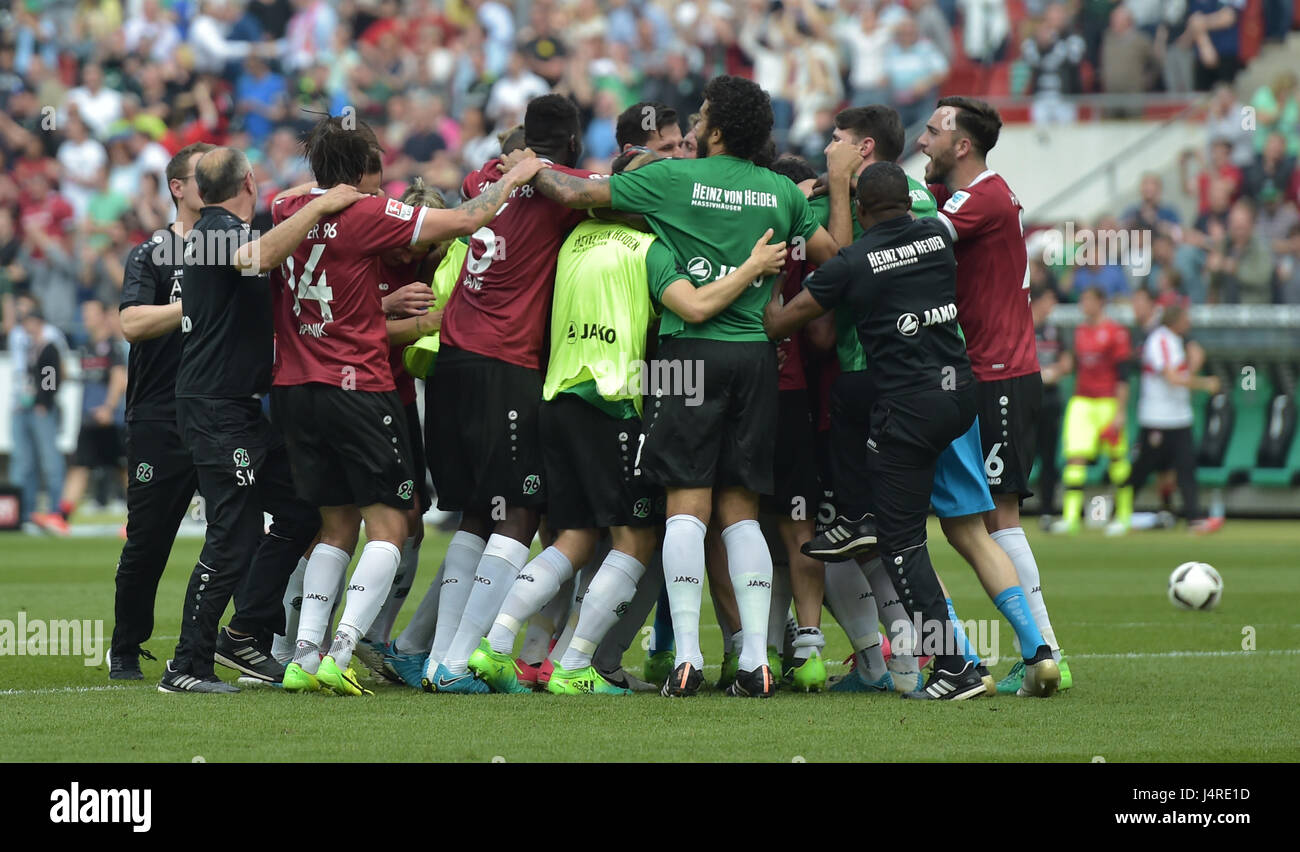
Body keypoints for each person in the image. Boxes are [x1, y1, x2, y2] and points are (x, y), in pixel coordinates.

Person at [515, 75, 841, 698]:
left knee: (685, 508)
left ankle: (687, 655)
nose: (691, 126)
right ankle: (754, 662)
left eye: (701, 117)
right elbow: (838, 260)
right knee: (741, 513)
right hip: (756, 359)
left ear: (717, 130)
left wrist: (533, 166)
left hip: (688, 356)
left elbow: (574, 192)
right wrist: (784, 311)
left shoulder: (672, 179)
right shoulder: (781, 193)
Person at [468, 149, 787, 695]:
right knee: (636, 542)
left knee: (572, 538)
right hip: (612, 400)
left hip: (559, 394)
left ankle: (494, 644)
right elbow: (693, 308)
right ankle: (574, 666)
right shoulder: (649, 250)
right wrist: (753, 269)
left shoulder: (572, 241)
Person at [269, 117, 547, 696]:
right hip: (360, 392)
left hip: (295, 389)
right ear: (364, 170)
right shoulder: (367, 214)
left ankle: (301, 655)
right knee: (392, 528)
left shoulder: (284, 211)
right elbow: (470, 217)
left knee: (335, 526)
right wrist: (517, 175)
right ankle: (341, 650)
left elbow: (289, 208)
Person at [765, 161, 1059, 700]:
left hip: (908, 411)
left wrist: (765, 276)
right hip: (959, 397)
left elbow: (782, 324)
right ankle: (1040, 648)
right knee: (970, 528)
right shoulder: (936, 239)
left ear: (859, 210)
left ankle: (956, 667)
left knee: (901, 542)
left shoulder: (852, 262)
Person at [159, 147, 362, 694]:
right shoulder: (215, 230)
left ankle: (245, 630)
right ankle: (186, 666)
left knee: (301, 505)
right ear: (249, 179)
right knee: (232, 534)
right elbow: (261, 259)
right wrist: (318, 208)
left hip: (242, 409)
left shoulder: (229, 232)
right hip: (216, 408)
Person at [422, 94, 597, 694]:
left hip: (453, 358)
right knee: (520, 509)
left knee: (477, 509)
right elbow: (597, 191)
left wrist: (522, 164)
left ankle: (439, 660)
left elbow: (500, 178)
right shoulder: (565, 183)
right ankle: (457, 661)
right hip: (507, 364)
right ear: (572, 142)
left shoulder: (482, 177)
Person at [918, 96, 1071, 693]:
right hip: (983, 372)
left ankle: (1047, 651)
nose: (923, 140)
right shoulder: (966, 195)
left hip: (1001, 373)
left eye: (933, 132)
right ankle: (1041, 651)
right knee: (982, 516)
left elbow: (918, 238)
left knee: (998, 514)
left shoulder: (982, 196)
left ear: (962, 145)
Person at [109, 142, 212, 681]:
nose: (214, 183)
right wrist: (190, 306)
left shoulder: (232, 251)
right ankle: (125, 649)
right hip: (158, 415)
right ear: (178, 188)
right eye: (203, 176)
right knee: (148, 541)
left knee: (246, 531)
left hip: (221, 412)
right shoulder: (151, 253)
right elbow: (130, 324)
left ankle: (227, 644)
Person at [1111, 304, 1224, 535]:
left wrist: (1195, 362)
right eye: (1185, 317)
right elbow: (1172, 377)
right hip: (1157, 417)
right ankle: (1118, 511)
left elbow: (1183, 371)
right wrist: (1205, 383)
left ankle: (1193, 518)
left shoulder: (1177, 341)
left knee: (1186, 468)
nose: (1189, 322)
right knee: (1142, 468)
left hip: (1179, 416)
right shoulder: (1159, 340)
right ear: (1176, 320)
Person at [1050, 287, 1133, 535]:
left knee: (1117, 460)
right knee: (1075, 458)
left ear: (1100, 302)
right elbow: (1074, 365)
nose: (1083, 304)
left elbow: (1123, 376)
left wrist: (1120, 411)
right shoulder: (1079, 332)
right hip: (1082, 402)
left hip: (1107, 402)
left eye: (1087, 300)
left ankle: (1124, 517)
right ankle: (1071, 517)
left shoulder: (1116, 333)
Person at [60, 300, 127, 521]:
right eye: (84, 313)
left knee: (124, 468)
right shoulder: (86, 347)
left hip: (111, 419)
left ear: (102, 316)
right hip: (90, 419)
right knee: (80, 465)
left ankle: (140, 518)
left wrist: (109, 407)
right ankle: (62, 516)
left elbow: (119, 378)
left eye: (90, 314)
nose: (85, 318)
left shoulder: (112, 346)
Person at [10, 301, 66, 534]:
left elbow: (51, 379)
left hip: (41, 409)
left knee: (49, 461)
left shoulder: (48, 346)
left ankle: (55, 510)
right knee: (26, 462)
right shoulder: (31, 346)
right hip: (26, 407)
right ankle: (25, 512)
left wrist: (44, 402)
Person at [1032, 285, 1071, 521]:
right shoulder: (1022, 326)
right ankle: (1011, 508)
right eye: (1049, 299)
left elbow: (1067, 362)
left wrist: (1053, 371)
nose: (1052, 305)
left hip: (1051, 398)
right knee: (1023, 456)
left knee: (1049, 457)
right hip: (1028, 398)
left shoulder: (1054, 330)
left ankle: (1046, 509)